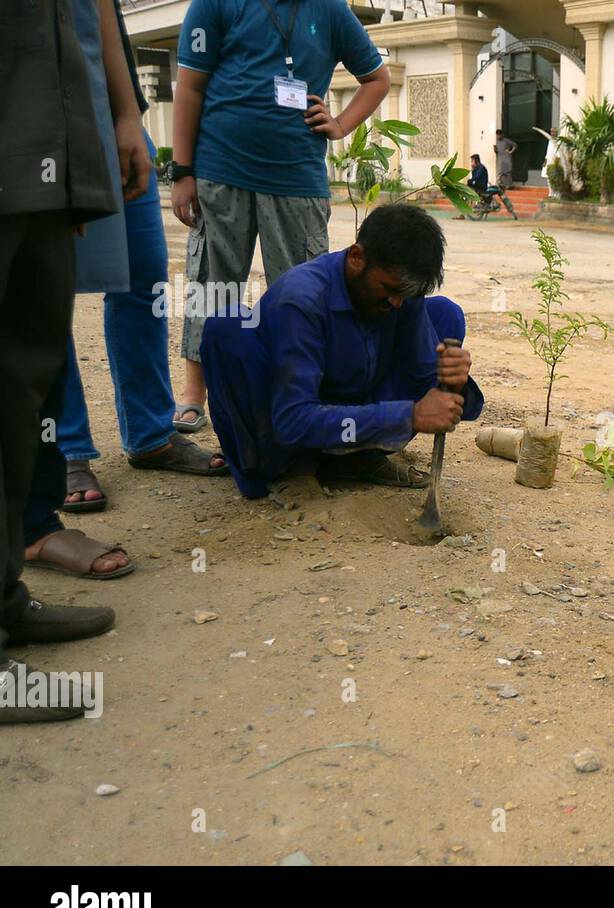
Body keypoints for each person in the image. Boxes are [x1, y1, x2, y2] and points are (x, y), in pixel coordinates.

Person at [1, 0, 139, 722]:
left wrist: (78, 168)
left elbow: (73, 29)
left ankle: (4, 602)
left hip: (38, 164)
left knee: (20, 389)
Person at [169, 0, 392, 435]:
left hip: (296, 179)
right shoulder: (216, 4)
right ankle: (195, 393)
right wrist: (182, 171)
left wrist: (342, 124)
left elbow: (377, 78)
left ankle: (296, 396)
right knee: (212, 283)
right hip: (220, 170)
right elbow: (190, 86)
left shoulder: (330, 11)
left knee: (302, 294)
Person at [47, 0, 228, 521]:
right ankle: (66, 449)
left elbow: (100, 9)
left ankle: (149, 433)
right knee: (48, 284)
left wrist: (128, 115)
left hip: (109, 118)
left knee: (143, 275)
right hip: (39, 125)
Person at [200, 204, 484, 502]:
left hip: (349, 417)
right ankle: (287, 469)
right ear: (357, 258)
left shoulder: (400, 295)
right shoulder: (302, 300)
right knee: (228, 327)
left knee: (444, 314)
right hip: (290, 425)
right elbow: (292, 421)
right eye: (389, 289)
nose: (397, 303)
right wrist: (408, 416)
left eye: (405, 293)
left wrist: (453, 382)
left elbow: (433, 393)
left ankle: (357, 458)